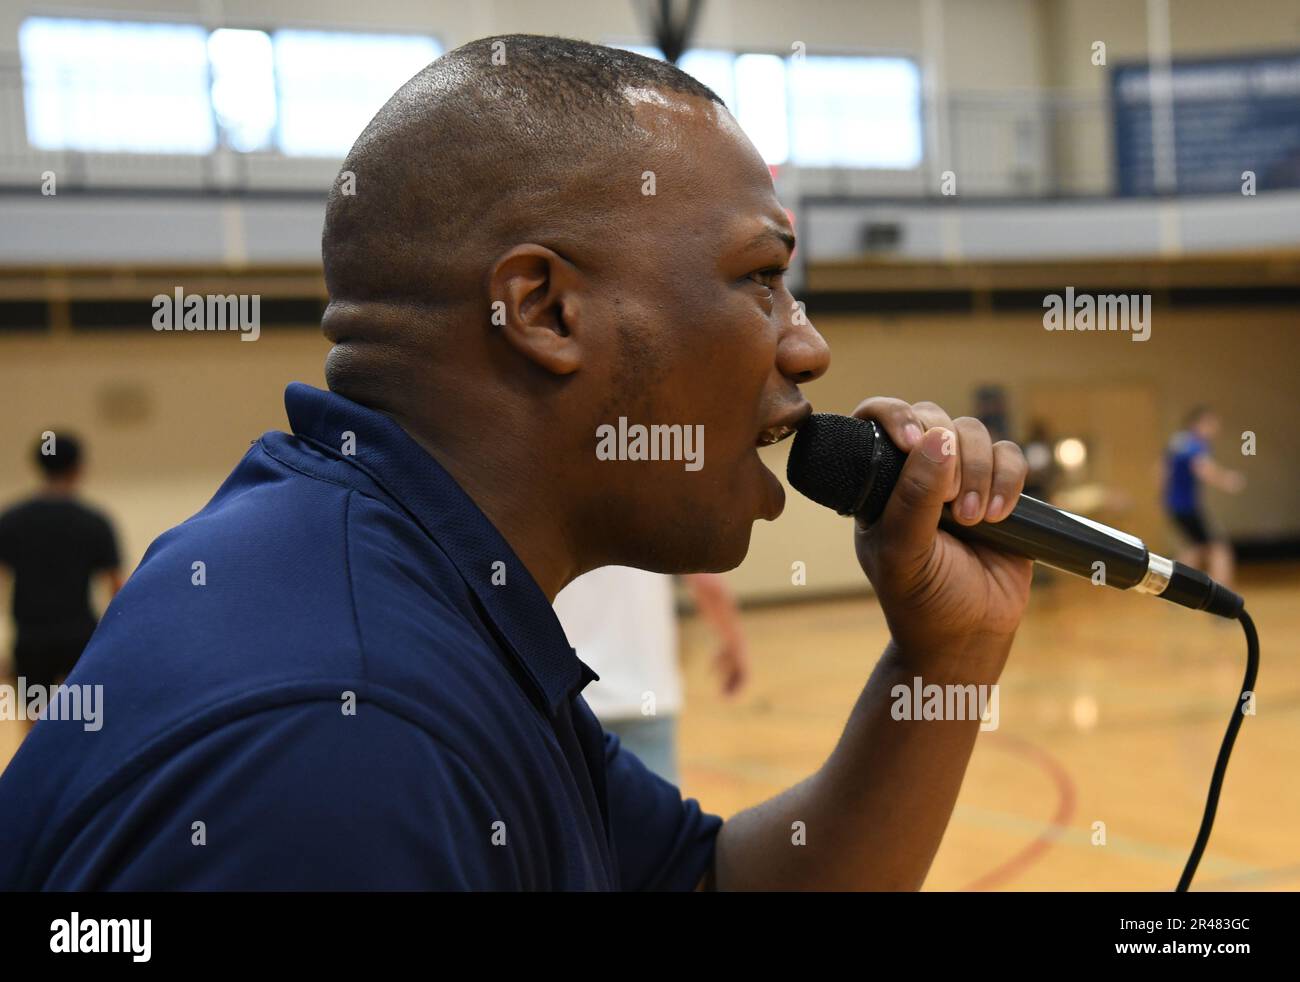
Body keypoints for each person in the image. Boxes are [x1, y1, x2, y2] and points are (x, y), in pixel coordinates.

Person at [0, 36, 1031, 890]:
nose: (807, 347)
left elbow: (705, 886)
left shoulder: (406, 586)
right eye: (761, 278)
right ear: (541, 310)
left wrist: (946, 656)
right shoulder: (347, 745)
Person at [553, 569, 748, 785]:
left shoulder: (542, 534)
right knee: (657, 815)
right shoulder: (664, 534)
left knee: (578, 814)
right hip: (646, 700)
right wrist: (734, 646)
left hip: (569, 699)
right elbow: (706, 581)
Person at [0, 433, 122, 729]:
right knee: (83, 725)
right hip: (80, 640)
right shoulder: (94, 521)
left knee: (34, 727)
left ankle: (35, 777)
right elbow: (116, 587)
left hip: (31, 639)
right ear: (78, 467)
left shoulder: (12, 520)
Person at [1163, 406, 1246, 588]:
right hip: (1187, 507)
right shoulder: (1195, 444)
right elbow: (1201, 468)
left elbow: (1160, 472)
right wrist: (1227, 480)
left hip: (1176, 506)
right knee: (1219, 548)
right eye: (1211, 424)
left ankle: (1171, 586)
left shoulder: (1177, 442)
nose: (1215, 428)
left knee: (1196, 547)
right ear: (1198, 424)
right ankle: (1221, 594)